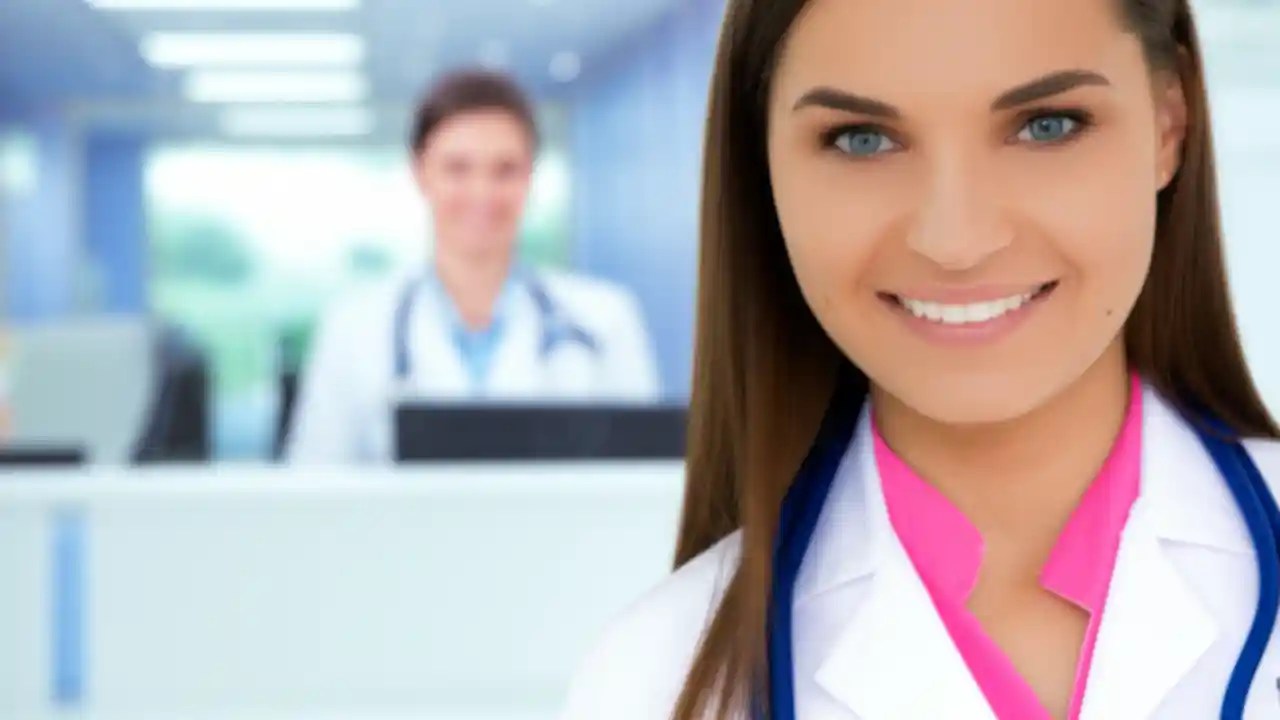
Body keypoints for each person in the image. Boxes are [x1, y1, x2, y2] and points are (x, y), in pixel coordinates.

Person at [561, 0, 1280, 718]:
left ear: (1168, 121)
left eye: (1046, 125)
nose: (955, 239)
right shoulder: (651, 680)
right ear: (765, 167)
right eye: (863, 140)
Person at [287, 69, 661, 464]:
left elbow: (643, 486)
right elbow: (311, 488)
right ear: (420, 173)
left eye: (505, 170)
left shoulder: (604, 318)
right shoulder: (355, 325)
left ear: (529, 178)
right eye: (457, 168)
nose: (482, 192)